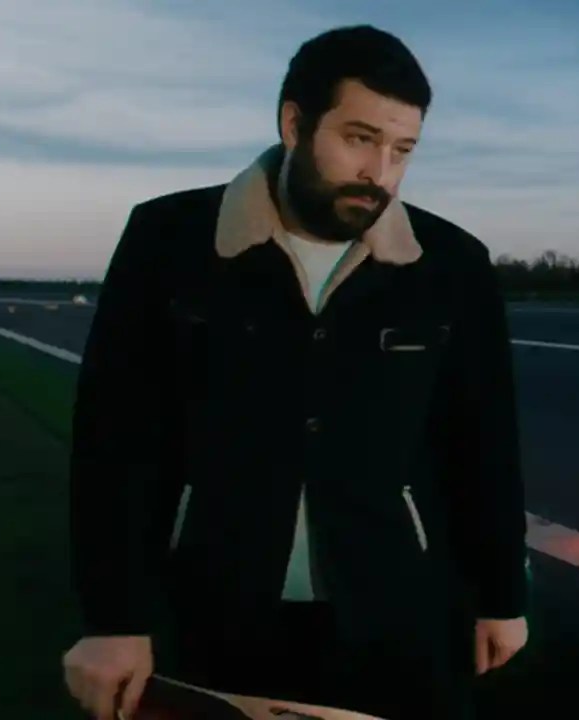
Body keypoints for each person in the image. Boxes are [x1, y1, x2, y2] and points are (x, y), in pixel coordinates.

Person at [60, 25, 530, 720]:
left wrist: (501, 596)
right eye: (359, 138)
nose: (381, 172)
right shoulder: (169, 241)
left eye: (403, 150)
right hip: (208, 612)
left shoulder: (451, 265)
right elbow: (115, 441)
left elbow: (483, 443)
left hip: (391, 615)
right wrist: (113, 616)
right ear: (293, 122)